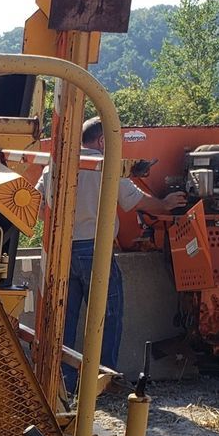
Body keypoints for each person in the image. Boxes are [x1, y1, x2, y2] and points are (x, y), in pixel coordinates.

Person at [35, 117, 186, 395]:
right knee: (108, 316)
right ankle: (101, 382)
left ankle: (64, 384)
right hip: (96, 249)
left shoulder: (55, 165)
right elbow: (138, 202)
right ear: (103, 141)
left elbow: (39, 207)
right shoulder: (106, 166)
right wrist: (165, 204)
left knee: (65, 319)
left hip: (63, 250)